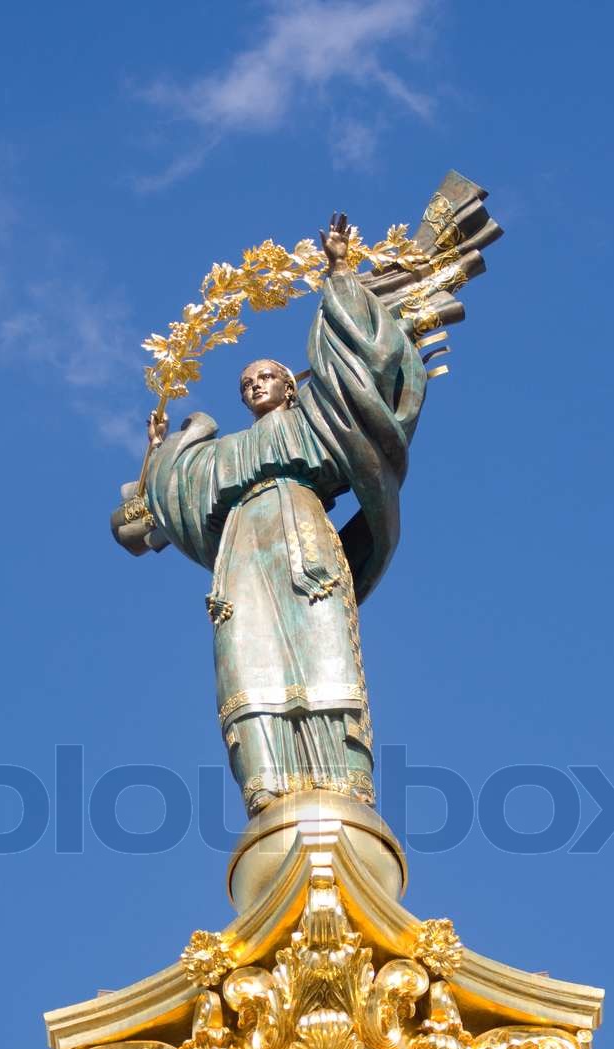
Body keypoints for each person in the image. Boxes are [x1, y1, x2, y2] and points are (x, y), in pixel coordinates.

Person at [113, 214, 426, 816]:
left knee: (321, 643)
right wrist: (155, 453)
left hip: (303, 532)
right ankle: (267, 781)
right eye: (246, 382)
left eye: (267, 376)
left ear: (291, 386)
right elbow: (134, 525)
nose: (255, 385)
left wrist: (339, 272)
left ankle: (344, 781)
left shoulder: (314, 421)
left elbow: (355, 366)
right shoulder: (215, 456)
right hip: (240, 554)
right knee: (246, 656)